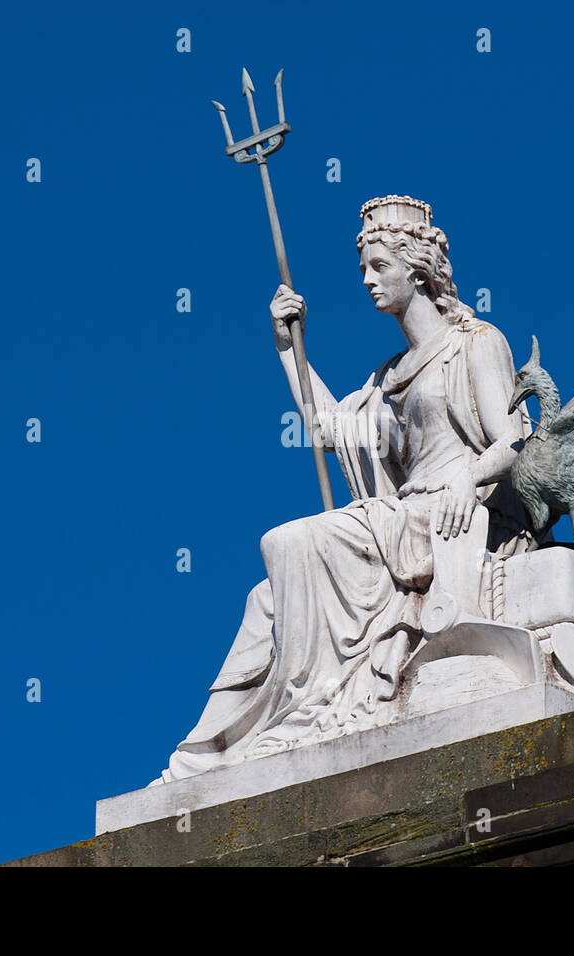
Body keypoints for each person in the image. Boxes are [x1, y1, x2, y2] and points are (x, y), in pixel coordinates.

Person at [157, 195, 535, 782]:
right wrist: (290, 350)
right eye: (363, 267)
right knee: (269, 601)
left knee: (285, 544)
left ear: (416, 268)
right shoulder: (386, 377)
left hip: (448, 518)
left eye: (378, 266)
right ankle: (211, 754)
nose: (366, 280)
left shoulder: (476, 342)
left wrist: (468, 476)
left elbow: (513, 439)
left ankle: (303, 707)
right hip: (401, 519)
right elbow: (329, 428)